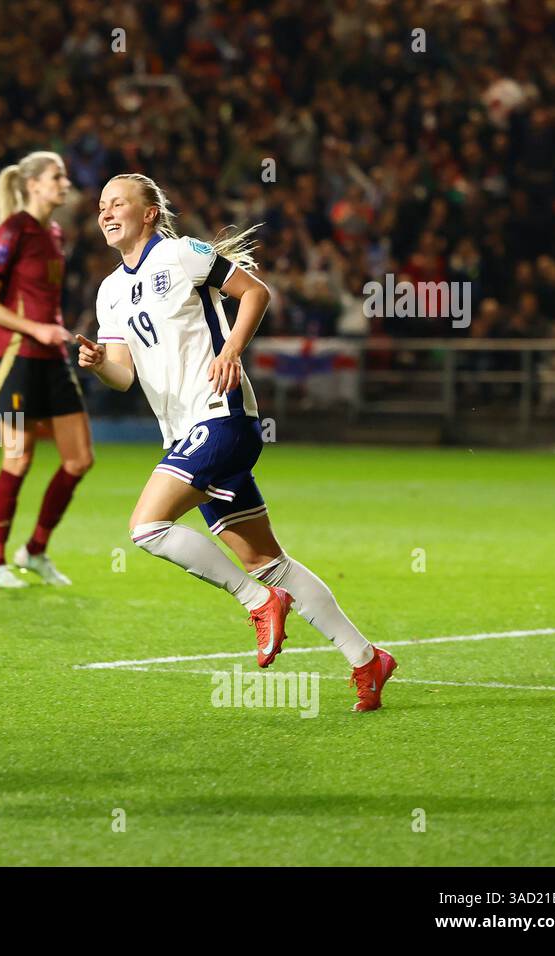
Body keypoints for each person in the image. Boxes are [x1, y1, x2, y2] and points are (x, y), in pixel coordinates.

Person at [76, 173, 396, 711]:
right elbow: (124, 375)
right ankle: (367, 660)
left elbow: (255, 291)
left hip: (221, 416)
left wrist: (232, 352)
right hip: (186, 432)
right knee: (269, 560)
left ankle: (258, 603)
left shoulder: (181, 255)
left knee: (146, 527)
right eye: (102, 205)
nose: (106, 213)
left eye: (118, 203)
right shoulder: (109, 291)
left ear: (150, 212)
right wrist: (98, 364)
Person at [0, 151, 93, 588]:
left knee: (80, 459)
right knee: (18, 457)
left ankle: (36, 550)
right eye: (57, 176)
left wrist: (53, 332)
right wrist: (36, 329)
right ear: (33, 185)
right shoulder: (12, 231)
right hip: (14, 356)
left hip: (52, 356)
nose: (65, 182)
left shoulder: (55, 232)